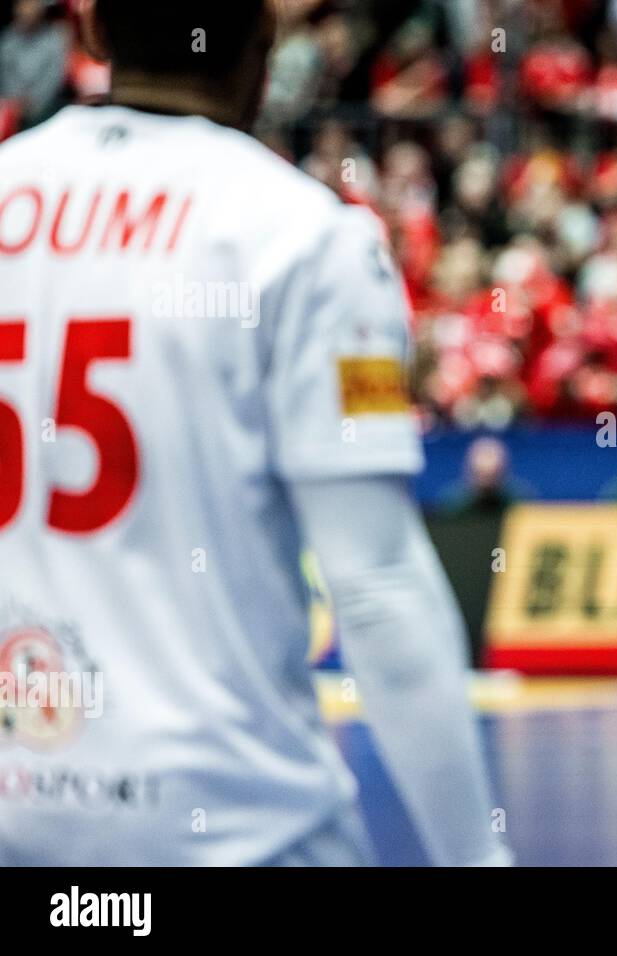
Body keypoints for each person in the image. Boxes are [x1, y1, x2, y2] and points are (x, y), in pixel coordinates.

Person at [0, 0, 511, 866]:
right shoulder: (308, 239)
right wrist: (477, 856)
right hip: (236, 826)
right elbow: (377, 585)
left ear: (89, 32)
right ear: (266, 46)